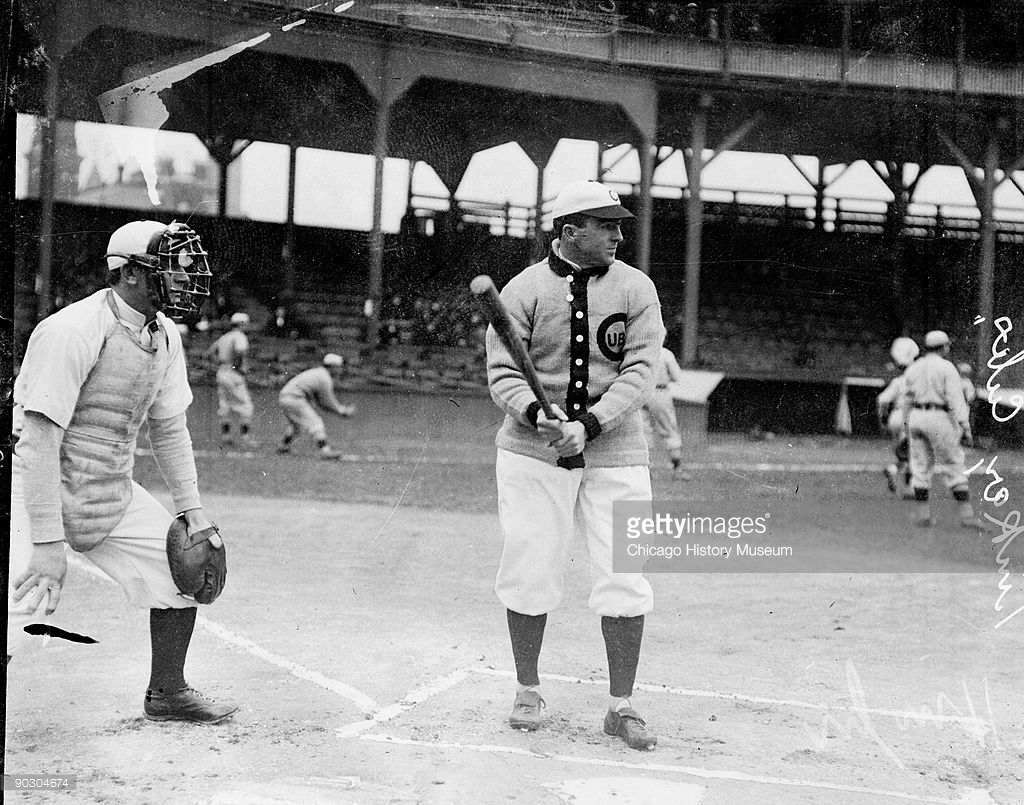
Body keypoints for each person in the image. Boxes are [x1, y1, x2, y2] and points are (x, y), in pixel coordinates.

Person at [8, 219, 238, 723]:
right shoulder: (71, 330)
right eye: (173, 267)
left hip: (107, 482)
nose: (185, 279)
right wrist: (48, 544)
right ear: (131, 273)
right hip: (30, 483)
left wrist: (191, 511)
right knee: (19, 608)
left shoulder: (165, 336)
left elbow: (170, 429)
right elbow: (40, 441)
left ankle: (168, 693)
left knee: (181, 568)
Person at [484, 179, 663, 751]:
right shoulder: (523, 289)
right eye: (605, 224)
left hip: (618, 450)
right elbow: (502, 373)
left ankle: (621, 705)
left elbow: (640, 370)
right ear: (568, 231)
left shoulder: (636, 288)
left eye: (617, 225)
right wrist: (538, 413)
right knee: (530, 565)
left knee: (626, 575)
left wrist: (589, 424)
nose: (616, 233)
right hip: (532, 449)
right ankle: (528, 688)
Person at [899, 330, 987, 529]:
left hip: (916, 416)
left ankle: (923, 516)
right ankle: (967, 517)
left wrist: (905, 427)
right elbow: (955, 399)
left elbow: (906, 400)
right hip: (938, 416)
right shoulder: (947, 367)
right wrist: (965, 425)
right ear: (944, 347)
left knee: (920, 467)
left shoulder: (914, 368)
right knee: (954, 464)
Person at [276, 353, 355, 460]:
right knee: (315, 422)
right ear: (333, 367)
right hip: (294, 398)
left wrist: (339, 411)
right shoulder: (324, 378)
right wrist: (342, 411)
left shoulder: (319, 373)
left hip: (285, 397)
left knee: (297, 426)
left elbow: (322, 403)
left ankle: (283, 446)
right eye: (339, 367)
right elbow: (327, 401)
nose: (341, 370)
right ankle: (325, 451)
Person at [642, 340, 692, 480]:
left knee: (643, 431)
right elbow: (677, 377)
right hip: (660, 392)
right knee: (669, 429)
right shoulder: (665, 353)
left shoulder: (642, 350)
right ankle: (677, 468)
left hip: (642, 392)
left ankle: (647, 469)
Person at [877, 336, 919, 498]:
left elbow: (881, 400)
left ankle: (892, 470)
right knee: (914, 454)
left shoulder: (897, 381)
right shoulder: (918, 382)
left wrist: (883, 420)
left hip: (895, 416)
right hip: (910, 416)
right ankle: (909, 489)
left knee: (904, 454)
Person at [206, 311, 255, 449]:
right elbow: (239, 352)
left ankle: (226, 437)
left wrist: (221, 364)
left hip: (222, 372)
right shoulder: (240, 336)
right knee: (246, 406)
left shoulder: (225, 337)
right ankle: (245, 439)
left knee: (225, 405)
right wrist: (237, 367)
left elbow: (210, 353)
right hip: (233, 374)